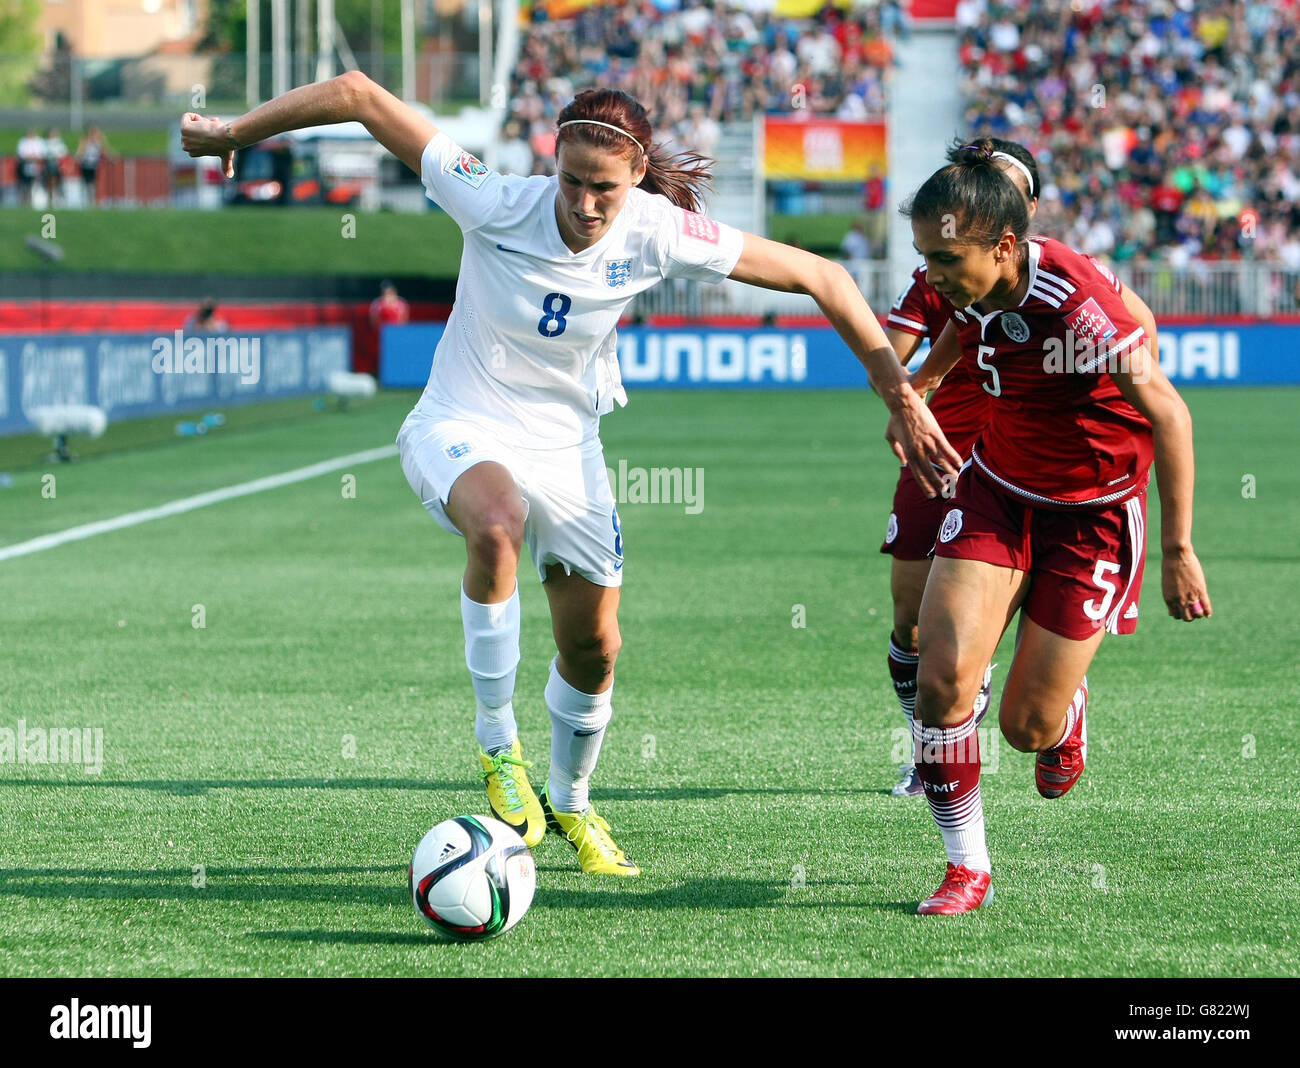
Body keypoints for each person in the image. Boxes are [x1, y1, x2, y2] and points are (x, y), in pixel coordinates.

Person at [180, 74, 947, 878]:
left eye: (604, 188)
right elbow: (358, 94)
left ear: (638, 176)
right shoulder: (491, 198)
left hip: (568, 448)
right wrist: (237, 133)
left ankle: (572, 804)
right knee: (497, 521)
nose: (585, 203)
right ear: (554, 159)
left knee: (594, 648)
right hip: (459, 421)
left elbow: (823, 276)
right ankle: (496, 746)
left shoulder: (657, 230)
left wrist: (898, 393)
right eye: (573, 180)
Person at [889, 144, 1211, 914]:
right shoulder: (971, 284)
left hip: (1095, 515)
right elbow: (965, 331)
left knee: (1026, 729)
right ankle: (968, 868)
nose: (932, 275)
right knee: (940, 684)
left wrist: (1177, 550)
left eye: (944, 258)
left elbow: (1169, 411)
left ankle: (1066, 709)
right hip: (998, 490)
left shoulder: (1072, 295)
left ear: (1002, 245)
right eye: (925, 258)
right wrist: (920, 393)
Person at [881, 136, 1161, 799]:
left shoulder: (1068, 283)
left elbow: (1145, 348)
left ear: (1020, 216)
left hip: (1062, 473)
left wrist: (1128, 404)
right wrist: (914, 390)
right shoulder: (948, 269)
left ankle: (1043, 699)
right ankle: (932, 755)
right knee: (915, 619)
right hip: (957, 452)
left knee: (1019, 708)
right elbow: (929, 334)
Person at [76, 126, 109, 206]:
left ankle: (93, 201)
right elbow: (80, 152)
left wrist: (102, 141)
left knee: (94, 184)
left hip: (95, 165)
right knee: (86, 183)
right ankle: (86, 201)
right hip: (86, 164)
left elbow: (105, 151)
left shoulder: (99, 142)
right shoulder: (85, 141)